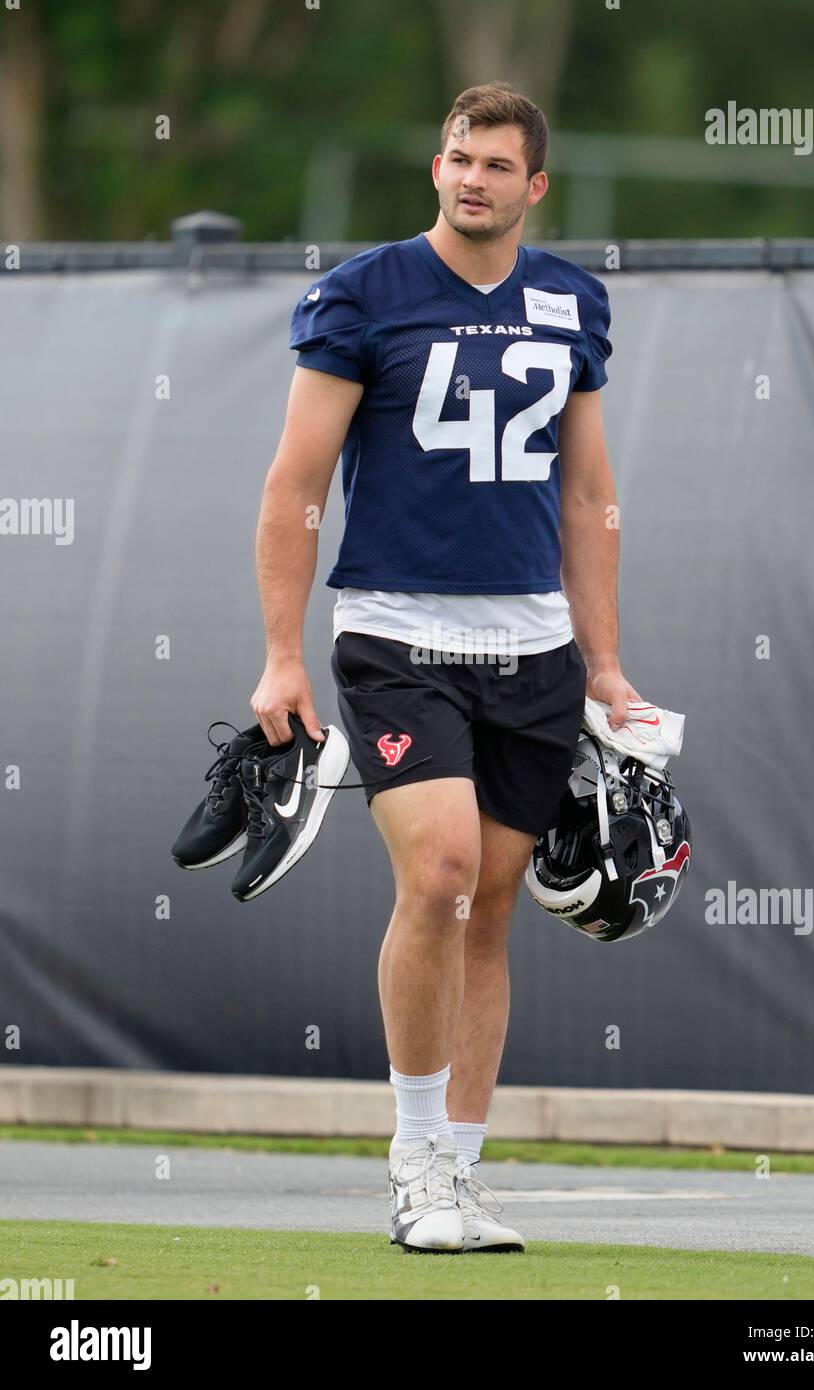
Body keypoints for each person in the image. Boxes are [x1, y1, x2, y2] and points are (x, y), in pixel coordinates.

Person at [250, 81, 639, 1254]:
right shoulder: (362, 294)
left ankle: (463, 1173)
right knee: (443, 875)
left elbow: (586, 495)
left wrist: (607, 663)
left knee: (493, 908)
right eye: (457, 156)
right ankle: (415, 1160)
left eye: (495, 163)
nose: (471, 177)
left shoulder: (572, 301)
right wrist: (279, 656)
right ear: (436, 167)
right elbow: (294, 485)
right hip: (396, 632)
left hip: (531, 646)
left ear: (535, 186)